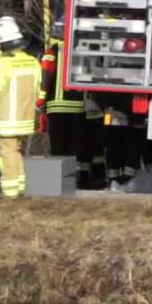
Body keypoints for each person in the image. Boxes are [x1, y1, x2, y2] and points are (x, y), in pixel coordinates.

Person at [0, 18, 43, 199]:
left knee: (6, 153)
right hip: (26, 119)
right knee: (16, 152)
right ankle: (20, 187)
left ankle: (9, 192)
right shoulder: (32, 62)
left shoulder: (4, 64)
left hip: (6, 120)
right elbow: (38, 90)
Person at [40, 18, 93, 184]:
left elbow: (46, 76)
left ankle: (59, 181)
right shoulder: (82, 49)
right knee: (75, 147)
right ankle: (78, 180)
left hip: (57, 107)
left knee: (59, 147)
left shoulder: (52, 52)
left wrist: (41, 99)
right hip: (78, 108)